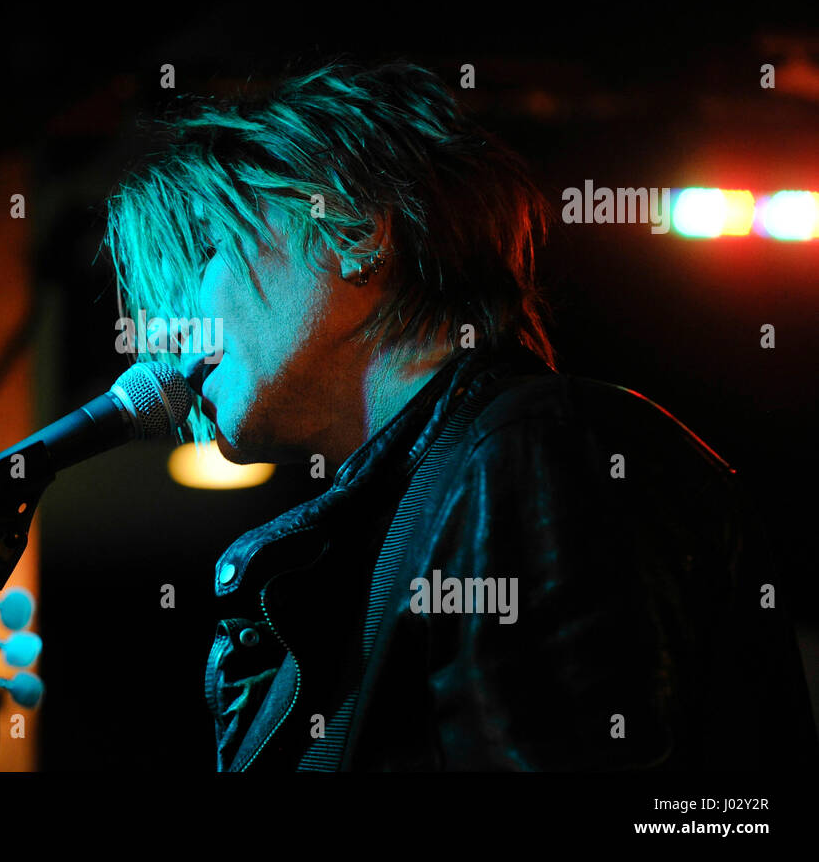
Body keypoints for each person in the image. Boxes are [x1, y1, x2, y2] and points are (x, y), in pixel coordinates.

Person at [101, 59, 817, 771]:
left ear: (354, 232)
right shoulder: (395, 534)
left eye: (209, 249)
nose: (173, 332)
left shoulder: (538, 454)